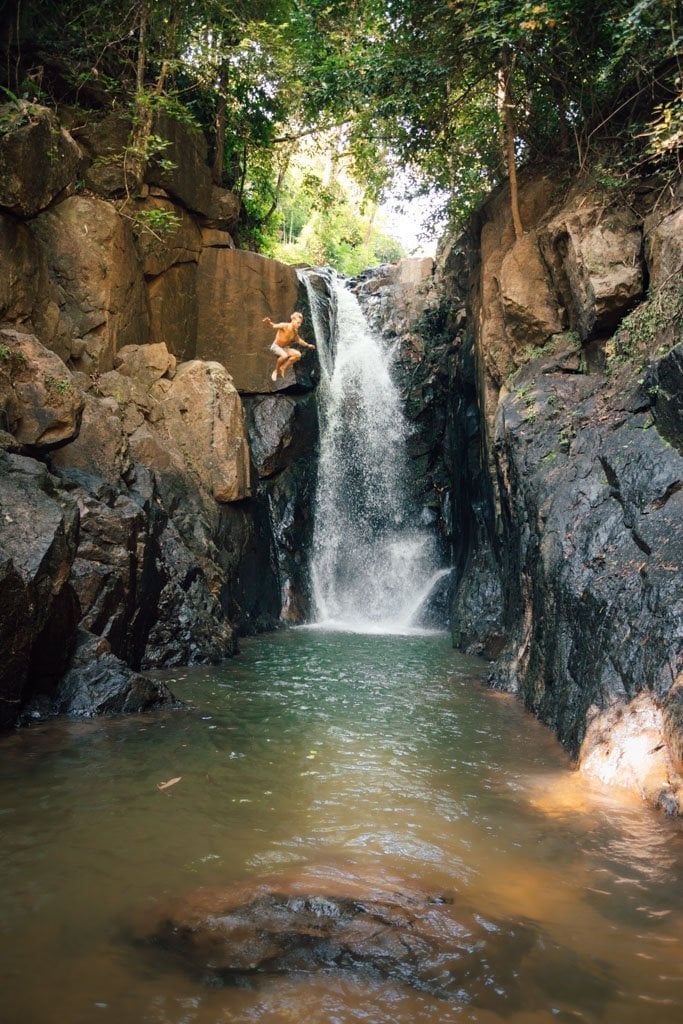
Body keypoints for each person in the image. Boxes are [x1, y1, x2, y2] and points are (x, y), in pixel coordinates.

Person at [263, 311, 315, 382]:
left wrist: (308, 345)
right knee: (284, 356)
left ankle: (283, 367)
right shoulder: (284, 326)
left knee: (298, 355)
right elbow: (274, 326)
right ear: (293, 320)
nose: (299, 325)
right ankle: (276, 371)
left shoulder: (295, 331)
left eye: (300, 323)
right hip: (276, 346)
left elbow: (299, 340)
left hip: (284, 348)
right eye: (298, 322)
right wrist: (269, 322)